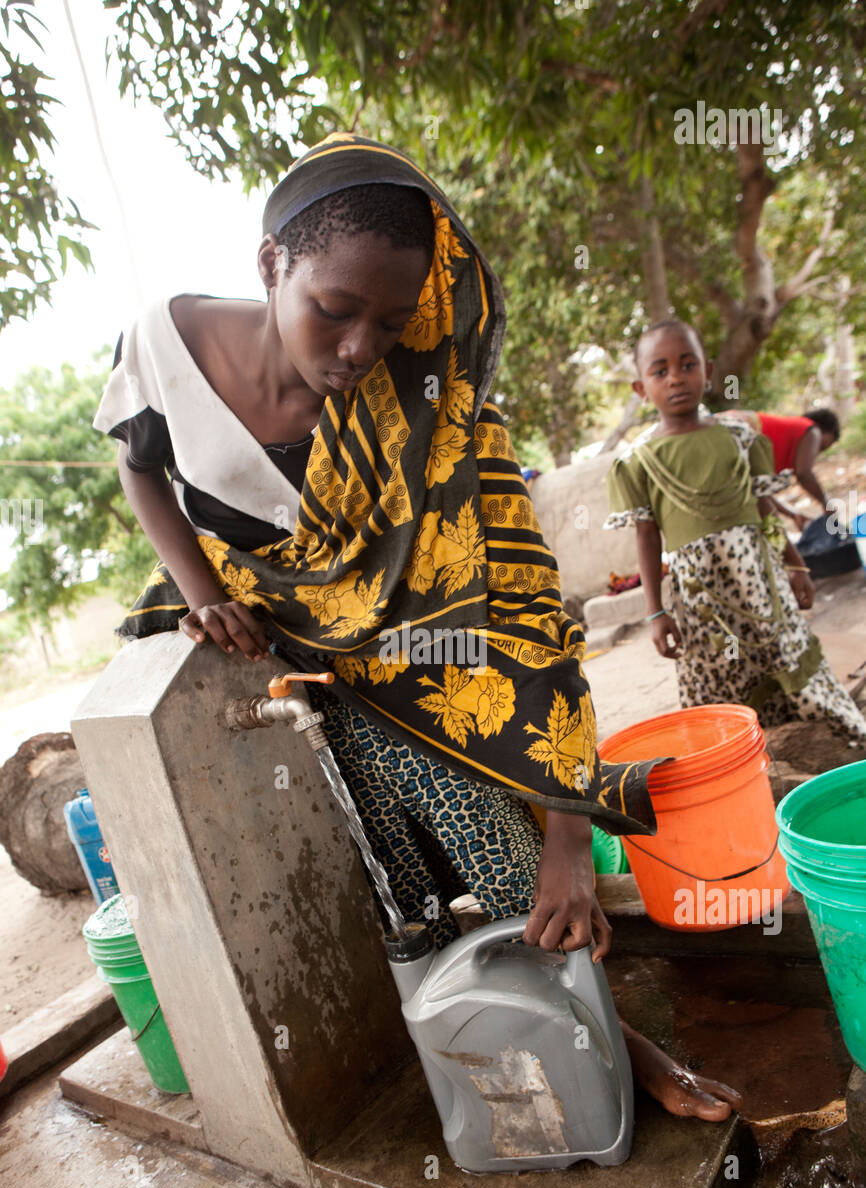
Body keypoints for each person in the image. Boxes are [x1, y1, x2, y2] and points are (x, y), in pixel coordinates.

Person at [94, 135, 739, 1121]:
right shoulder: (163, 346)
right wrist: (200, 590)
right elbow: (140, 461)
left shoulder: (428, 410)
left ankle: (611, 1041)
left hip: (406, 654)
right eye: (333, 309)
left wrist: (569, 836)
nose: (359, 349)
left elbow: (525, 604)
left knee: (505, 852)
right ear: (270, 264)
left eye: (391, 323)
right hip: (268, 648)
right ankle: (476, 1045)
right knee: (387, 878)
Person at [605, 319, 866, 744]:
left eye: (687, 365)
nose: (676, 378)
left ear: (708, 371)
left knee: (784, 654)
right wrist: (656, 613)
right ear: (640, 388)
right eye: (660, 371)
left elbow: (764, 510)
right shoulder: (638, 462)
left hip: (761, 583)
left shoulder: (740, 438)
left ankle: (839, 740)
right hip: (701, 599)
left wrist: (797, 566)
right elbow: (647, 537)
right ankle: (740, 755)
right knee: (718, 675)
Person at [717, 406, 839, 524]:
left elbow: (760, 492)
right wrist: (826, 503)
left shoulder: (782, 448)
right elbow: (804, 474)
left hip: (716, 437)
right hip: (730, 432)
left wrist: (794, 516)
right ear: (824, 429)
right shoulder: (812, 430)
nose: (816, 453)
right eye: (821, 446)